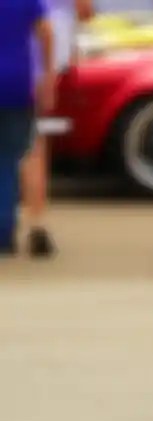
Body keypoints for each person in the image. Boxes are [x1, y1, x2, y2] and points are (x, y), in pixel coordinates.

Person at [19, 0, 91, 259]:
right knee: (32, 146)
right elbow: (85, 12)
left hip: (16, 48)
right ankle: (36, 222)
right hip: (45, 58)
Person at [1, 1, 54, 258]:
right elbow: (46, 31)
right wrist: (47, 76)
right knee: (10, 159)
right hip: (18, 84)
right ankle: (5, 231)